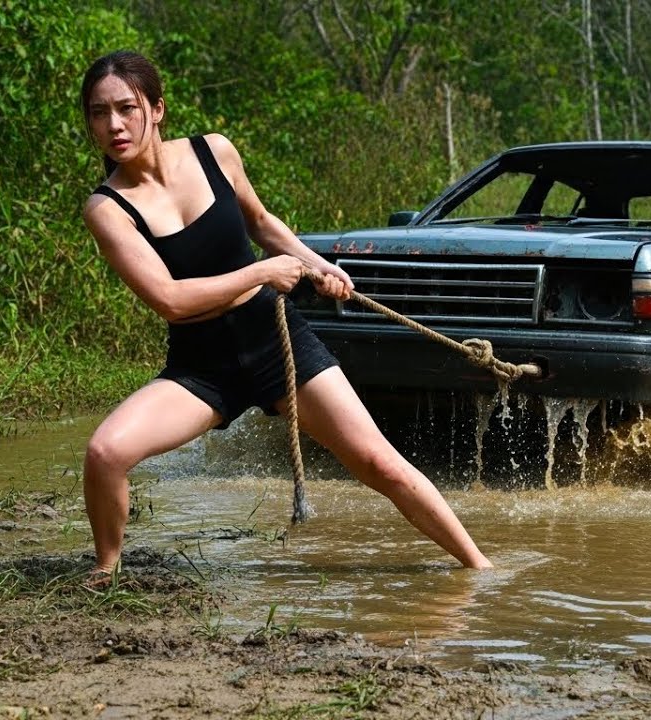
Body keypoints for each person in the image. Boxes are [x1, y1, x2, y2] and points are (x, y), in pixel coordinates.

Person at [78, 50, 492, 581]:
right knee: (105, 452)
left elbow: (260, 221)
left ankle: (480, 569)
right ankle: (106, 572)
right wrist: (261, 272)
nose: (114, 125)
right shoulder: (107, 208)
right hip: (202, 368)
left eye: (126, 108)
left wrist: (318, 266)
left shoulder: (215, 152)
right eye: (99, 113)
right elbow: (170, 300)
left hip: (278, 345)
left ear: (156, 110)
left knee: (380, 464)